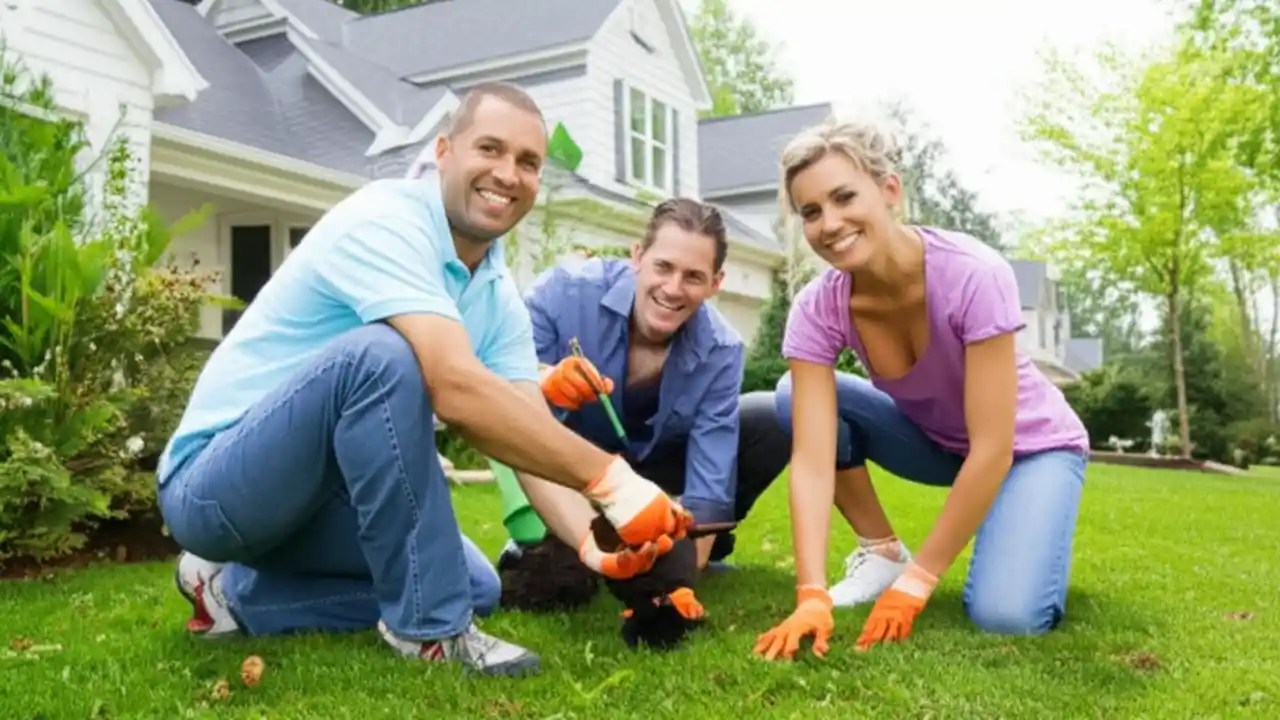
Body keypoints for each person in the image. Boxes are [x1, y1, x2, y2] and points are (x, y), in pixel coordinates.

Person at [155, 82, 694, 678]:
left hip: (321, 504)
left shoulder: (493, 290)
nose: (507, 173)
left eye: (528, 162)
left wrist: (589, 541)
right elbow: (453, 386)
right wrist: (616, 482)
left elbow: (525, 428)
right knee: (382, 356)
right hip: (216, 487)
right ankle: (429, 633)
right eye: (489, 149)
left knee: (472, 585)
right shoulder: (385, 220)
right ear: (444, 152)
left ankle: (230, 593)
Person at [752, 117, 1090, 661]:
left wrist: (920, 581)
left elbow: (994, 448)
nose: (830, 223)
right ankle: (882, 552)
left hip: (1029, 449)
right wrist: (810, 592)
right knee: (793, 392)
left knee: (1006, 616)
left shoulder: (974, 274)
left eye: (844, 197)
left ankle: (1033, 530)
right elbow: (814, 462)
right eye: (811, 212)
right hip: (937, 443)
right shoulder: (819, 306)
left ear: (890, 191)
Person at [494, 198, 791, 606]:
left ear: (715, 283)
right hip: (570, 472)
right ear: (638, 256)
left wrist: (684, 580)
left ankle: (669, 543)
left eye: (693, 277)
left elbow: (709, 482)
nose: (672, 289)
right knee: (558, 585)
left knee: (772, 418)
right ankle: (559, 543)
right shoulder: (561, 296)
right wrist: (546, 381)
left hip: (661, 480)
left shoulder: (721, 351)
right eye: (663, 267)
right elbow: (504, 404)